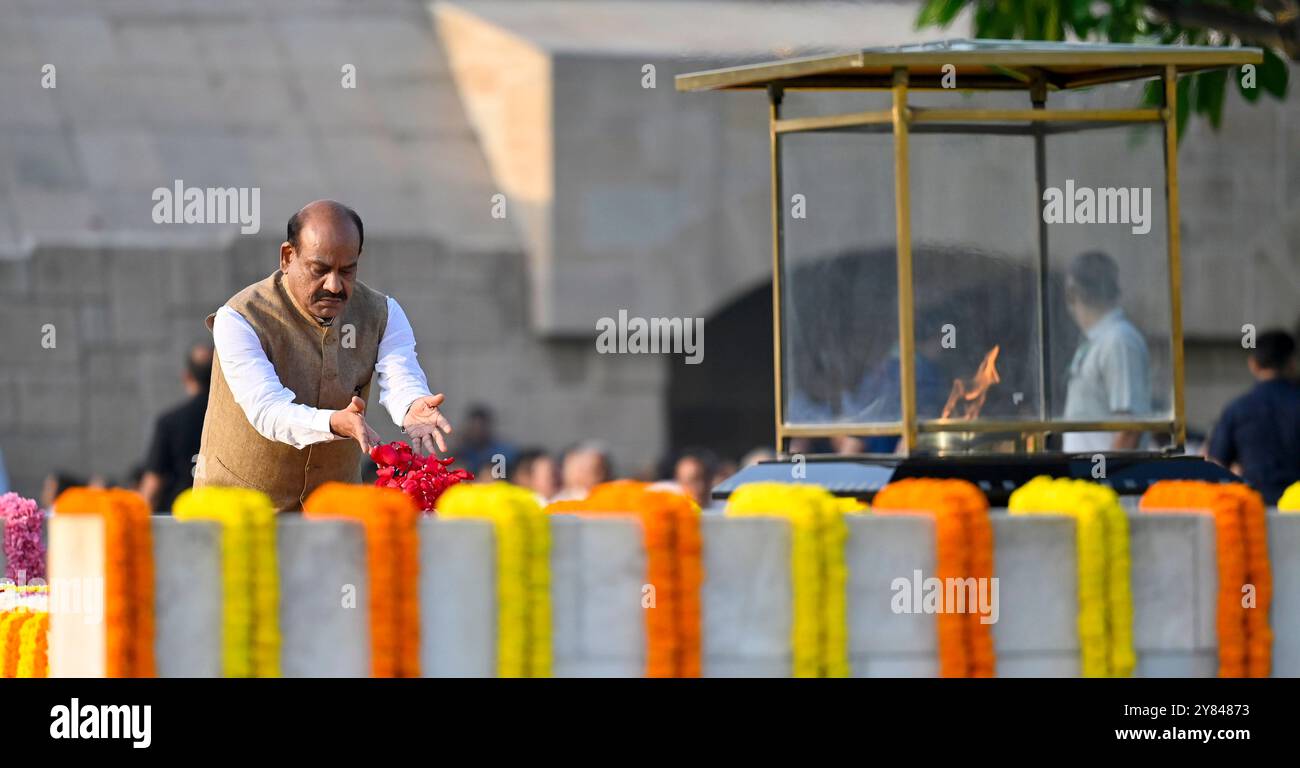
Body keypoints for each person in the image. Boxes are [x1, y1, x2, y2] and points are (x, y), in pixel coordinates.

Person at [194, 200, 454, 512]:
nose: (334, 285)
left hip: (333, 514)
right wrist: (333, 423)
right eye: (320, 270)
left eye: (347, 271)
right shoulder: (239, 318)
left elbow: (401, 375)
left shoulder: (383, 313)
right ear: (288, 257)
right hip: (238, 515)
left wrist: (412, 404)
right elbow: (266, 410)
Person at [1061, 250, 1151, 452]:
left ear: (1073, 292)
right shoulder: (1098, 341)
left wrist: (1104, 478)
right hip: (1091, 477)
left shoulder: (1119, 341)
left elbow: (1129, 428)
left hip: (1107, 480)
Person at [1208, 330, 1300, 504]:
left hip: (1253, 510)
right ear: (1292, 363)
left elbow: (1216, 465)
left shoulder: (1237, 408)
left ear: (1253, 364)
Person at [139, 344, 214, 512]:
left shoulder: (169, 422)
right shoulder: (232, 422)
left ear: (187, 377)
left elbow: (152, 485)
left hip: (177, 517)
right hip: (224, 517)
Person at [453, 404, 517, 480]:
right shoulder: (462, 451)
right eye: (474, 428)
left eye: (480, 428)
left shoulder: (502, 452)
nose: (477, 432)